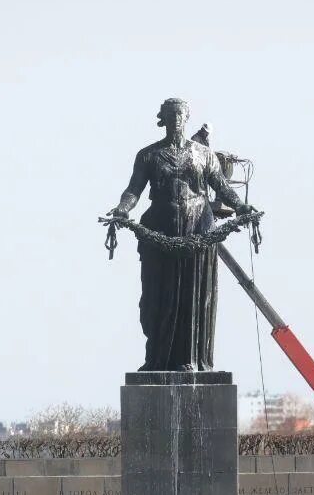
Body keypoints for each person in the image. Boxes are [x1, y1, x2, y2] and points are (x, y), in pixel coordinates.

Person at [107, 97, 257, 372]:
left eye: (180, 114)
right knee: (155, 298)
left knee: (193, 296)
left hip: (198, 230)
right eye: (171, 114)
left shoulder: (204, 154)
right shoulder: (148, 155)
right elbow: (133, 190)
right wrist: (122, 209)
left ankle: (190, 359)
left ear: (187, 119)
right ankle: (156, 359)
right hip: (160, 231)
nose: (176, 119)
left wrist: (240, 206)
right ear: (162, 118)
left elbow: (221, 186)